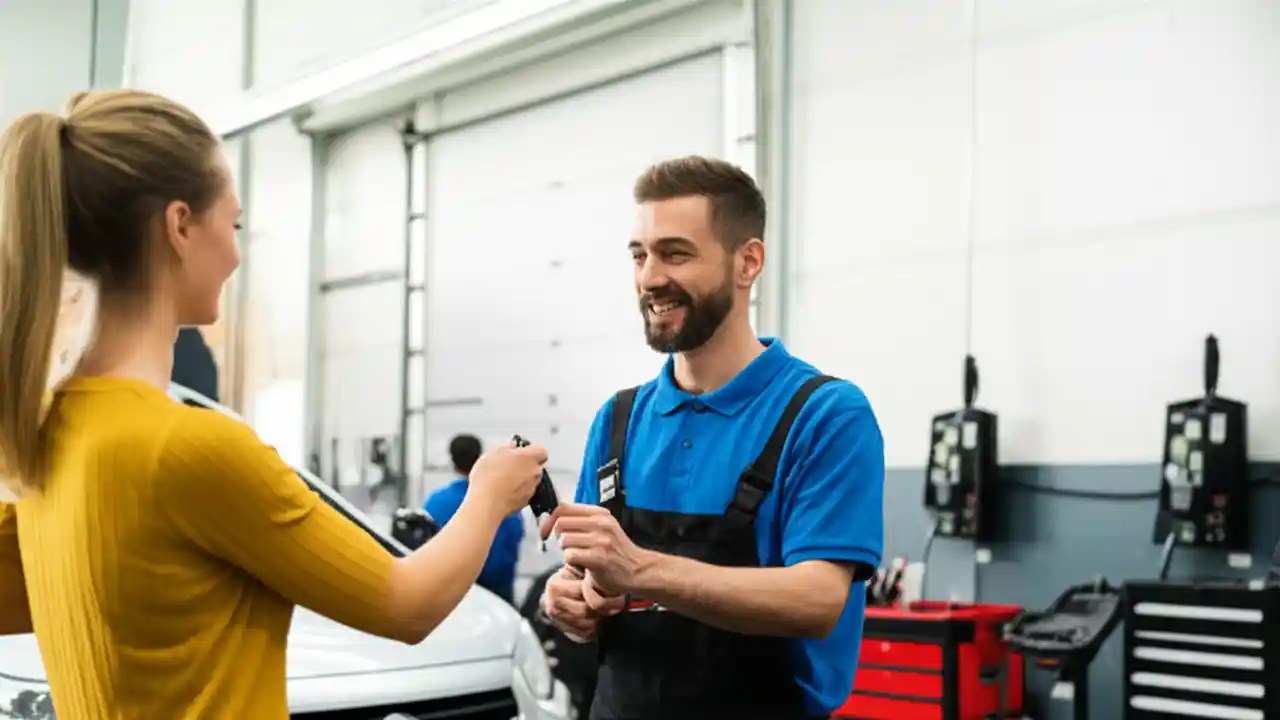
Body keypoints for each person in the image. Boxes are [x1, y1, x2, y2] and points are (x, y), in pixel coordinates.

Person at [0, 89, 548, 720]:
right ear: (180, 226)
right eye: (231, 225)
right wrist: (488, 495)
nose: (236, 253)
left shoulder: (42, 437)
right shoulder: (188, 448)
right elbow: (408, 604)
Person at [539, 156, 885, 719]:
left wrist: (642, 570)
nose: (650, 278)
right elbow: (593, 577)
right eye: (639, 255)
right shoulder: (618, 420)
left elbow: (819, 600)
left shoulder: (824, 416)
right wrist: (572, 599)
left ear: (748, 261)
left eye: (675, 253)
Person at [424, 434, 526, 604]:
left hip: (454, 599)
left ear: (452, 460)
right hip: (500, 599)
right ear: (480, 457)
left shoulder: (436, 503)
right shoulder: (505, 500)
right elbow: (515, 538)